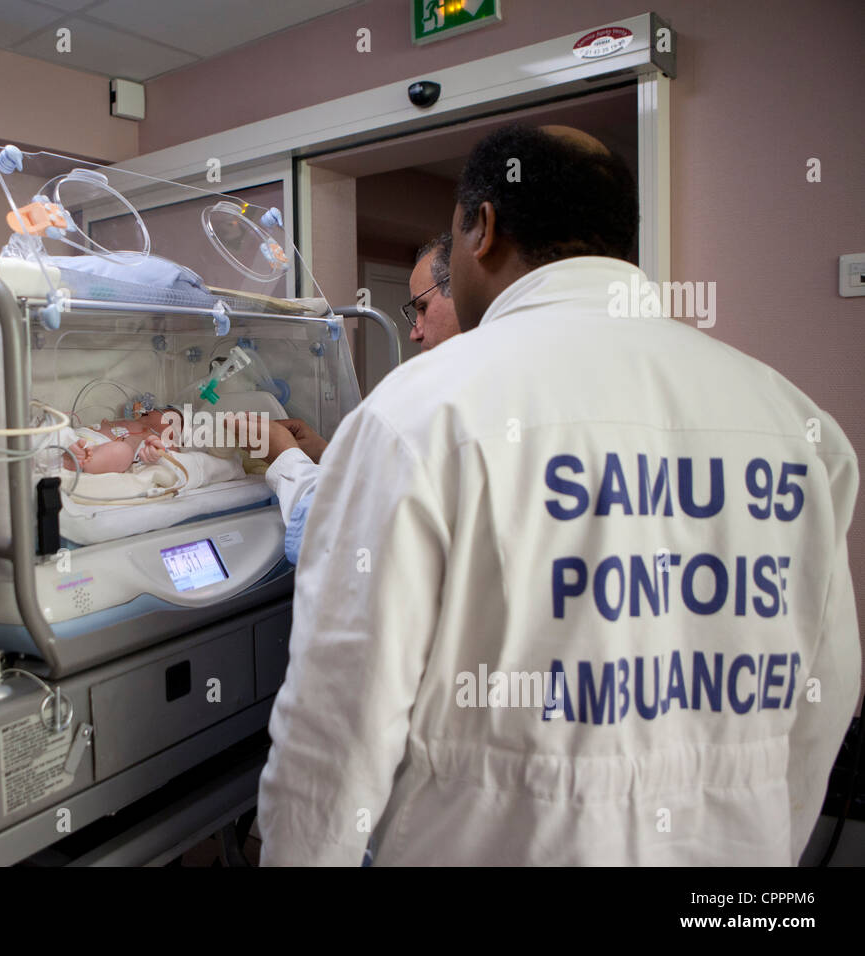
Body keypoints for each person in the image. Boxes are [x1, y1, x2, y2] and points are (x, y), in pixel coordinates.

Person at [257, 122, 860, 866]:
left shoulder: (418, 413)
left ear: (482, 228)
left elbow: (336, 731)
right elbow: (822, 706)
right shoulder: (799, 426)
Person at [254, 236, 458, 563]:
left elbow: (336, 536)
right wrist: (325, 453)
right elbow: (385, 483)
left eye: (422, 307)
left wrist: (286, 458)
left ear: (465, 289)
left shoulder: (442, 408)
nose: (414, 332)